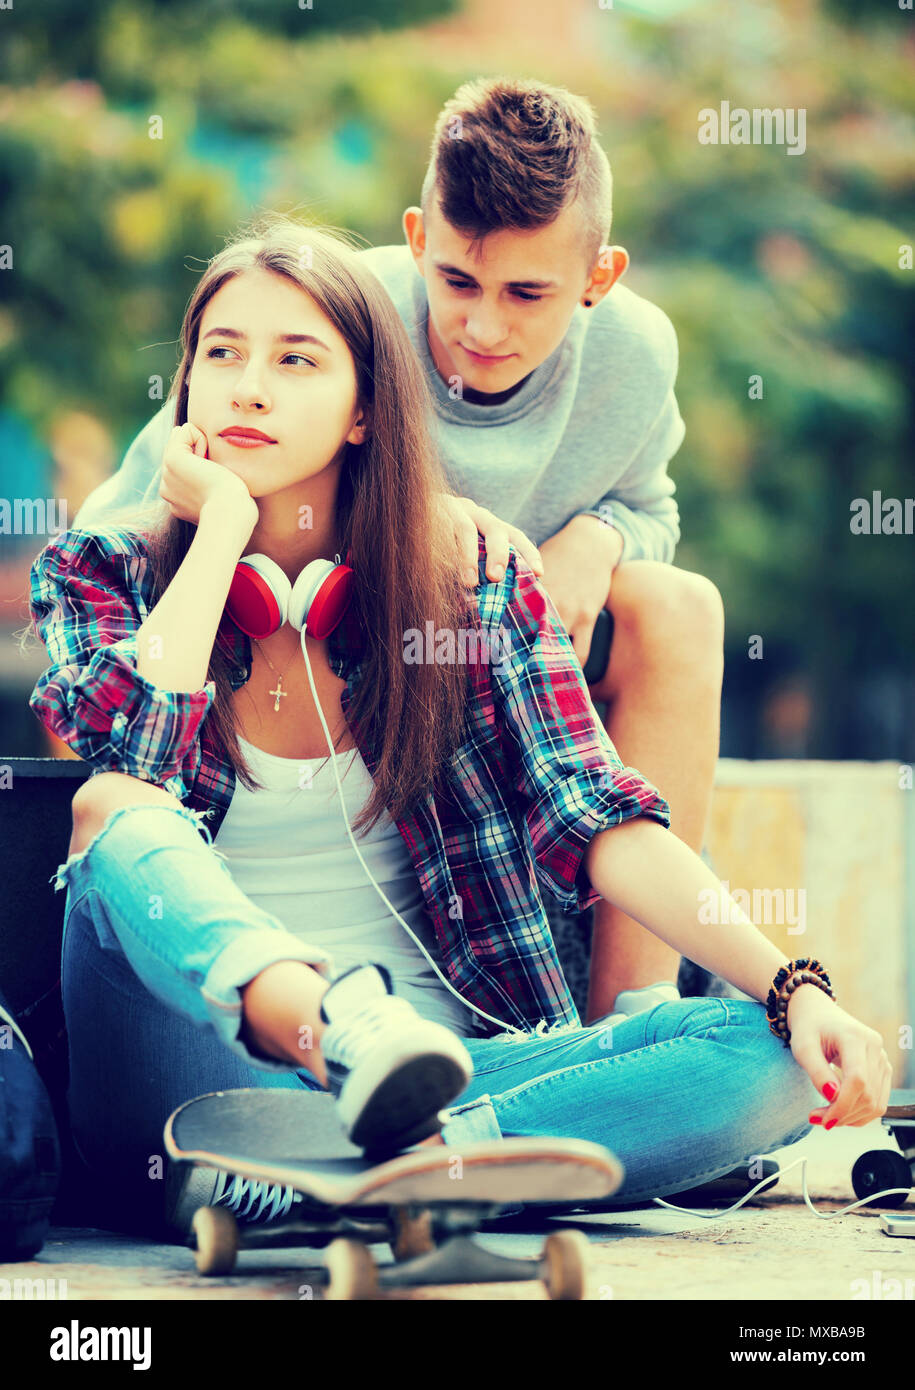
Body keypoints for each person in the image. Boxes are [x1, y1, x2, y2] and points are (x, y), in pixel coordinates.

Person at [25, 216, 889, 1242]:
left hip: (447, 1067)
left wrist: (796, 992)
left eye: (296, 360)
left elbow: (603, 819)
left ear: (362, 411)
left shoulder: (475, 577)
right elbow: (132, 763)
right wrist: (217, 532)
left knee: (764, 1062)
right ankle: (358, 1060)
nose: (249, 386)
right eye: (223, 353)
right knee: (113, 804)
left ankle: (380, 1171)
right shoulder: (105, 568)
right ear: (186, 387)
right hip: (192, 1081)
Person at [70, 77, 724, 1030]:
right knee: (114, 780)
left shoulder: (635, 354)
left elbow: (649, 502)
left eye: (526, 293)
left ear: (599, 278)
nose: (481, 327)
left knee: (680, 605)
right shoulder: (328, 314)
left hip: (507, 658)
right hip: (330, 658)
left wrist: (602, 537)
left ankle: (631, 1013)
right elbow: (136, 510)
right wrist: (423, 520)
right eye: (456, 281)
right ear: (418, 241)